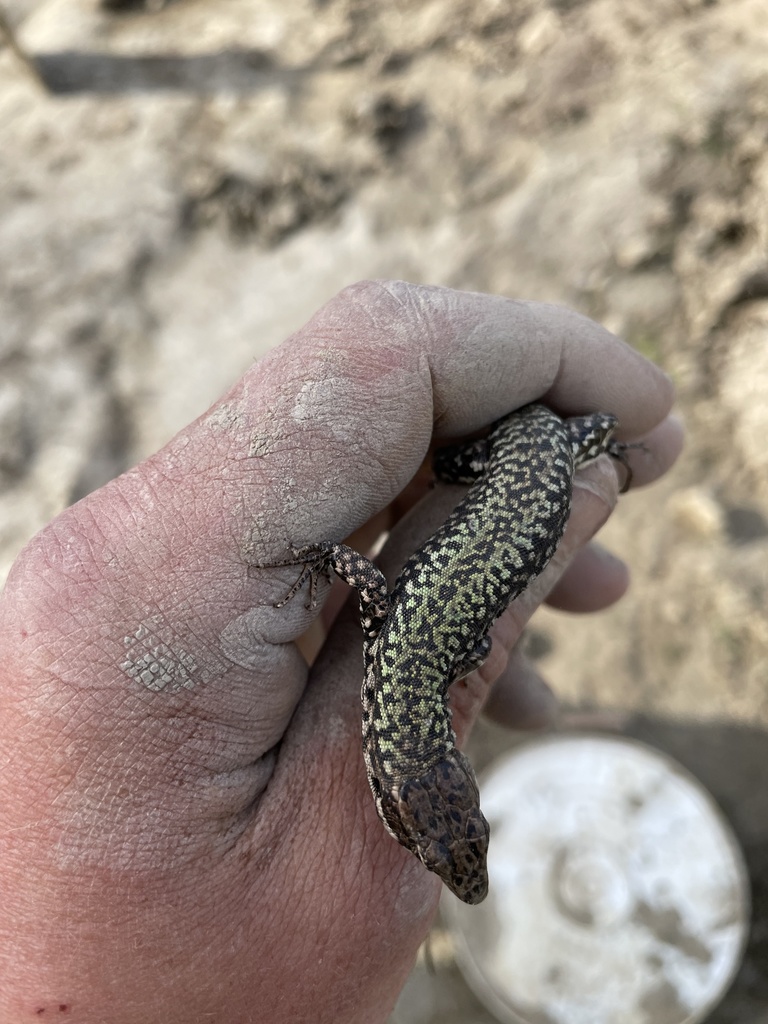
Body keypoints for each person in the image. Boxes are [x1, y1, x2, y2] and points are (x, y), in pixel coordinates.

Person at [0, 281, 683, 1023]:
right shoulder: (392, 654)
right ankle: (606, 441)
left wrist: (327, 552)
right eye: (456, 842)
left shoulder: (415, 660)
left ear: (404, 790)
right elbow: (358, 575)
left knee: (464, 472)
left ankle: (603, 441)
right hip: (539, 454)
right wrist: (322, 555)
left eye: (446, 846)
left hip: (528, 454)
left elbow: (368, 576)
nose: (459, 868)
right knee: (569, 440)